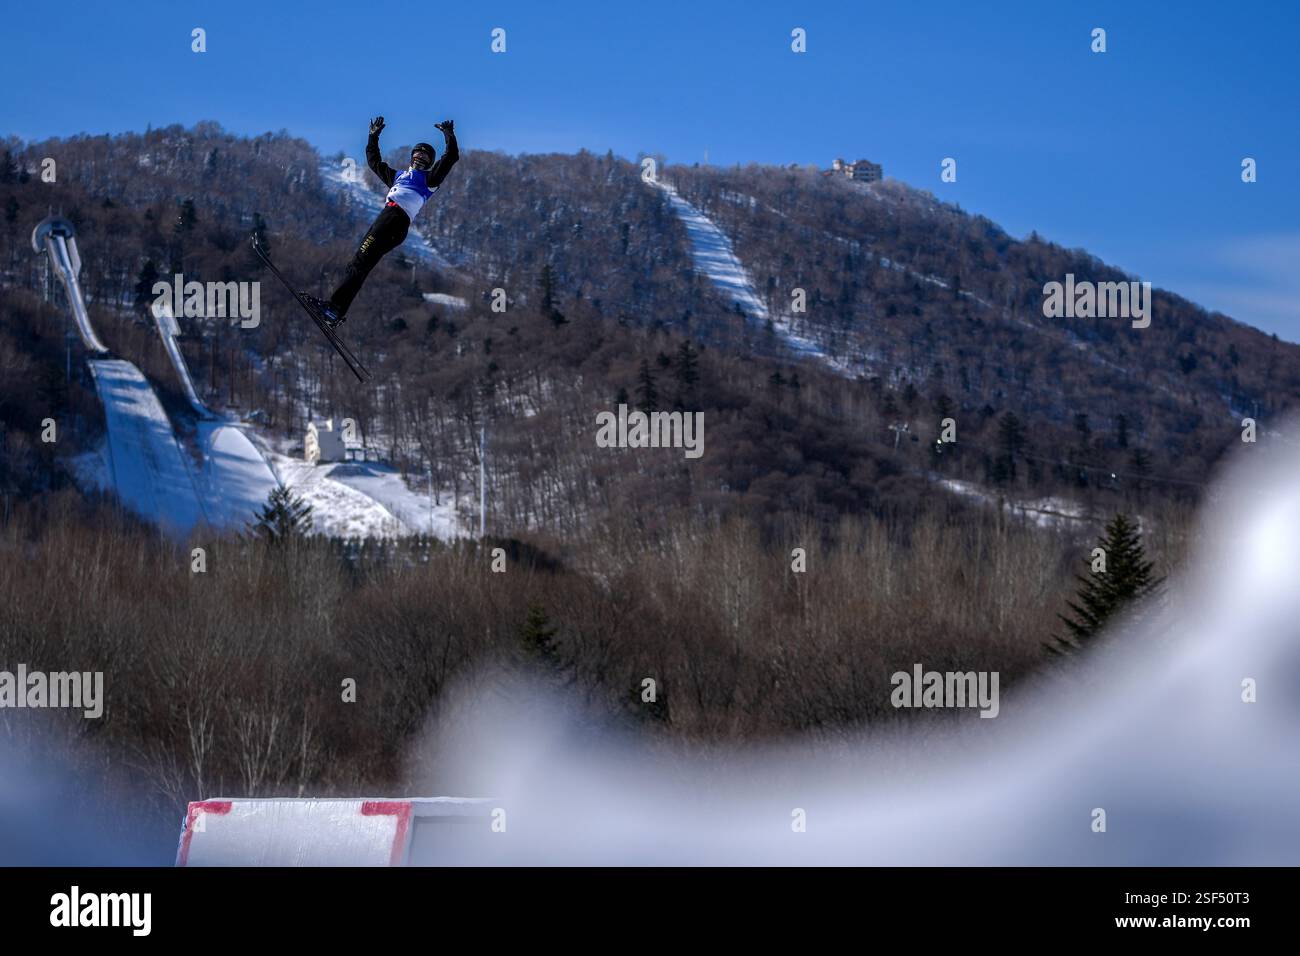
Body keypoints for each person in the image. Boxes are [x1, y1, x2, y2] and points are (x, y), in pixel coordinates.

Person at [303, 116, 459, 327]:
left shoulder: (429, 179)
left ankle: (334, 309)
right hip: (389, 220)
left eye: (424, 154)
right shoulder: (399, 176)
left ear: (429, 161)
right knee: (360, 265)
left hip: (394, 219)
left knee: (359, 262)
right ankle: (336, 311)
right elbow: (374, 162)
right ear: (411, 156)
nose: (419, 156)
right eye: (417, 152)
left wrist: (448, 135)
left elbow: (450, 157)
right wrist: (372, 136)